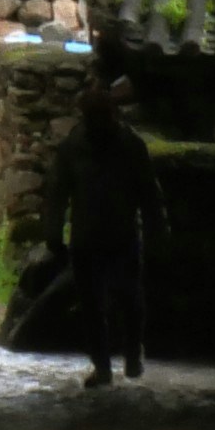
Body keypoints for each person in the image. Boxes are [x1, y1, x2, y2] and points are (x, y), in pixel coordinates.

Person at [67, 59, 163, 383]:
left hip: (120, 235)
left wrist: (155, 225)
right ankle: (103, 365)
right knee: (92, 305)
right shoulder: (75, 146)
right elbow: (57, 187)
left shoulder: (131, 146)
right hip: (87, 238)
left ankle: (132, 353)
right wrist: (52, 229)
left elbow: (148, 191)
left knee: (129, 299)